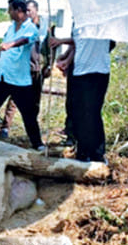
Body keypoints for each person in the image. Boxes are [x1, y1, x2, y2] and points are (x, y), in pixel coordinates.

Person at [0, 0, 45, 150]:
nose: (8, 12)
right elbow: (2, 50)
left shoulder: (31, 28)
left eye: (10, 10)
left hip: (19, 80)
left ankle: (38, 144)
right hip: (2, 75)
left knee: (28, 115)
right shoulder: (11, 27)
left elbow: (26, 40)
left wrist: (11, 44)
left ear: (18, 10)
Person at [49, 32, 115, 165]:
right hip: (80, 70)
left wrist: (61, 42)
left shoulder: (105, 22)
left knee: (93, 113)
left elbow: (111, 43)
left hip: (98, 71)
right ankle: (83, 152)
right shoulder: (79, 24)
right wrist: (67, 59)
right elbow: (77, 42)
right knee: (79, 114)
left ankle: (97, 154)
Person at [0, 0, 50, 139]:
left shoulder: (45, 28)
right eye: (25, 10)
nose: (27, 13)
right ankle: (5, 127)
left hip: (37, 68)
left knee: (34, 101)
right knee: (13, 100)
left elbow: (49, 48)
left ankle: (32, 132)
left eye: (30, 11)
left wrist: (49, 66)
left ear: (36, 11)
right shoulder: (19, 26)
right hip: (22, 68)